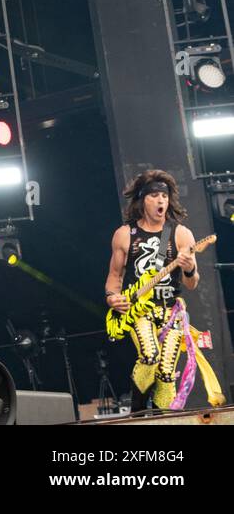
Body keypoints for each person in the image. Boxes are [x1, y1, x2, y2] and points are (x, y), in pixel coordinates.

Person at [105, 170, 222, 410]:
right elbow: (114, 278)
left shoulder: (180, 234)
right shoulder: (125, 235)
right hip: (139, 311)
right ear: (142, 200)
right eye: (155, 195)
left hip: (171, 311)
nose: (161, 201)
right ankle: (137, 412)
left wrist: (189, 269)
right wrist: (112, 298)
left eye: (164, 196)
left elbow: (192, 283)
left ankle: (162, 416)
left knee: (167, 373)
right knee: (150, 356)